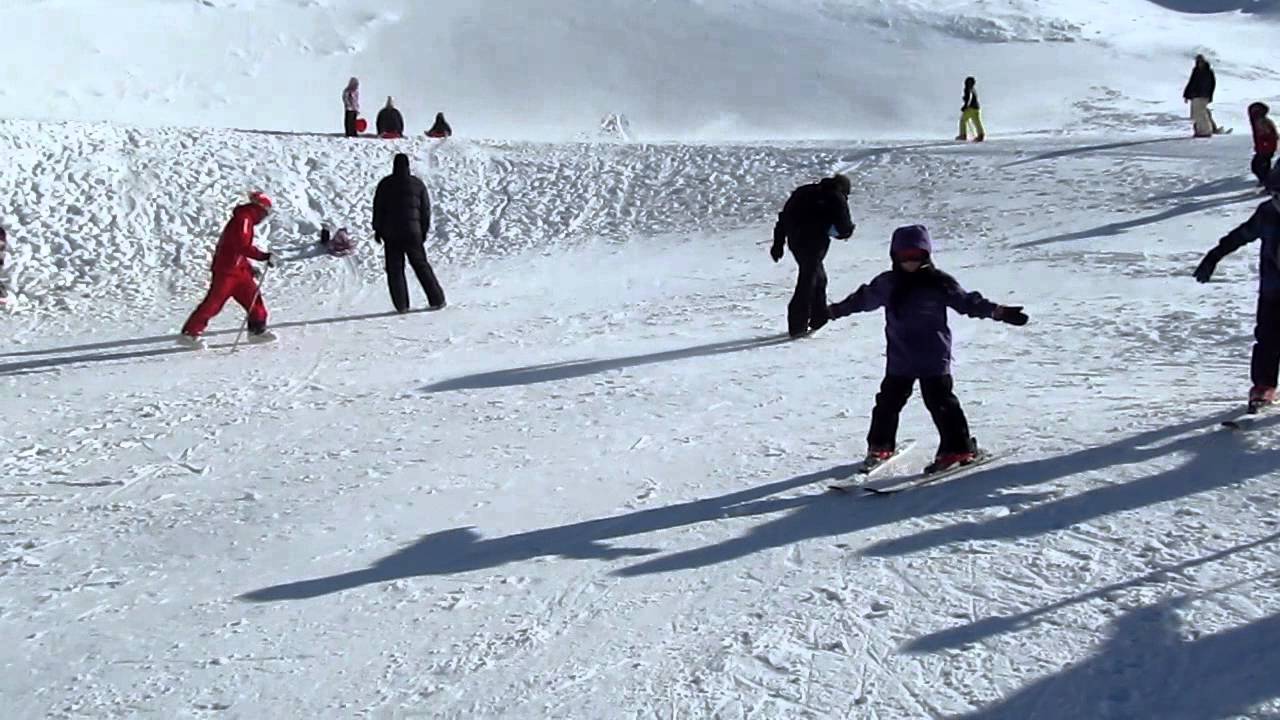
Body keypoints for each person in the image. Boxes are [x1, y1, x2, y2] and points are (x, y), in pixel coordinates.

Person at [825, 225, 1028, 472]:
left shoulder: (939, 283)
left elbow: (967, 303)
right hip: (901, 357)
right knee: (887, 403)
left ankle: (958, 448)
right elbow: (862, 300)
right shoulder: (888, 283)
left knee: (941, 402)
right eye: (904, 256)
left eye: (916, 256)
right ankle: (880, 445)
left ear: (926, 255)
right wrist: (833, 311)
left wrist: (998, 311)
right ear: (895, 256)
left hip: (933, 356)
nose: (910, 262)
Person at [1193, 166, 1280, 411]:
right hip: (1273, 292)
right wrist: (1214, 256)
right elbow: (1241, 235)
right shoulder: (1267, 214)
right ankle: (1263, 386)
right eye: (1277, 195)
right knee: (1267, 339)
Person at [181, 192, 279, 345]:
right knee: (214, 303)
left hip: (239, 271)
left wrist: (249, 268)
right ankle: (190, 334)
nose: (264, 216)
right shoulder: (243, 219)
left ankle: (257, 331)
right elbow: (242, 246)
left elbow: (238, 250)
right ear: (259, 208)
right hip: (226, 271)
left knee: (254, 299)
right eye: (266, 211)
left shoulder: (246, 220)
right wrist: (264, 256)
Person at [771, 173, 855, 338]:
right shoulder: (836, 197)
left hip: (796, 242)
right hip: (814, 244)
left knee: (818, 278)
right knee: (808, 281)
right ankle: (799, 325)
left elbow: (783, 218)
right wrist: (846, 232)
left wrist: (778, 244)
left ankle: (818, 317)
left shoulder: (803, 191)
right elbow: (844, 227)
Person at [372, 153, 447, 312]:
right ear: (408, 166)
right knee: (421, 266)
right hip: (413, 233)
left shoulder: (385, 184)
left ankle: (402, 305)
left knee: (395, 270)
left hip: (391, 234)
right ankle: (437, 299)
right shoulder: (417, 184)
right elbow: (425, 211)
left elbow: (378, 208)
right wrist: (422, 231)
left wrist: (377, 229)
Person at [1184, 55, 1222, 138]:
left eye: (1201, 61)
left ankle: (1206, 131)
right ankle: (1199, 130)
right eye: (1198, 61)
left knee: (1201, 114)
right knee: (1195, 114)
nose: (1199, 63)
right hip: (1195, 96)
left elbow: (1212, 85)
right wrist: (1186, 95)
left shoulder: (1208, 72)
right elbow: (1191, 83)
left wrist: (1209, 96)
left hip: (1203, 96)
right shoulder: (1196, 71)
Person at [1249, 102, 1277, 187]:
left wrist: (1266, 147)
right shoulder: (1257, 122)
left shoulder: (1263, 122)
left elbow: (1271, 136)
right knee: (1256, 166)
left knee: (1260, 166)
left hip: (1266, 149)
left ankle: (1269, 183)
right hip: (1262, 149)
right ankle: (1266, 181)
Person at [956, 76, 985, 143]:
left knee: (963, 120)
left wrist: (965, 106)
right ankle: (981, 134)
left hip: (970, 108)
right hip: (976, 108)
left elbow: (969, 98)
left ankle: (963, 135)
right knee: (976, 121)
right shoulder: (973, 89)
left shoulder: (967, 89)